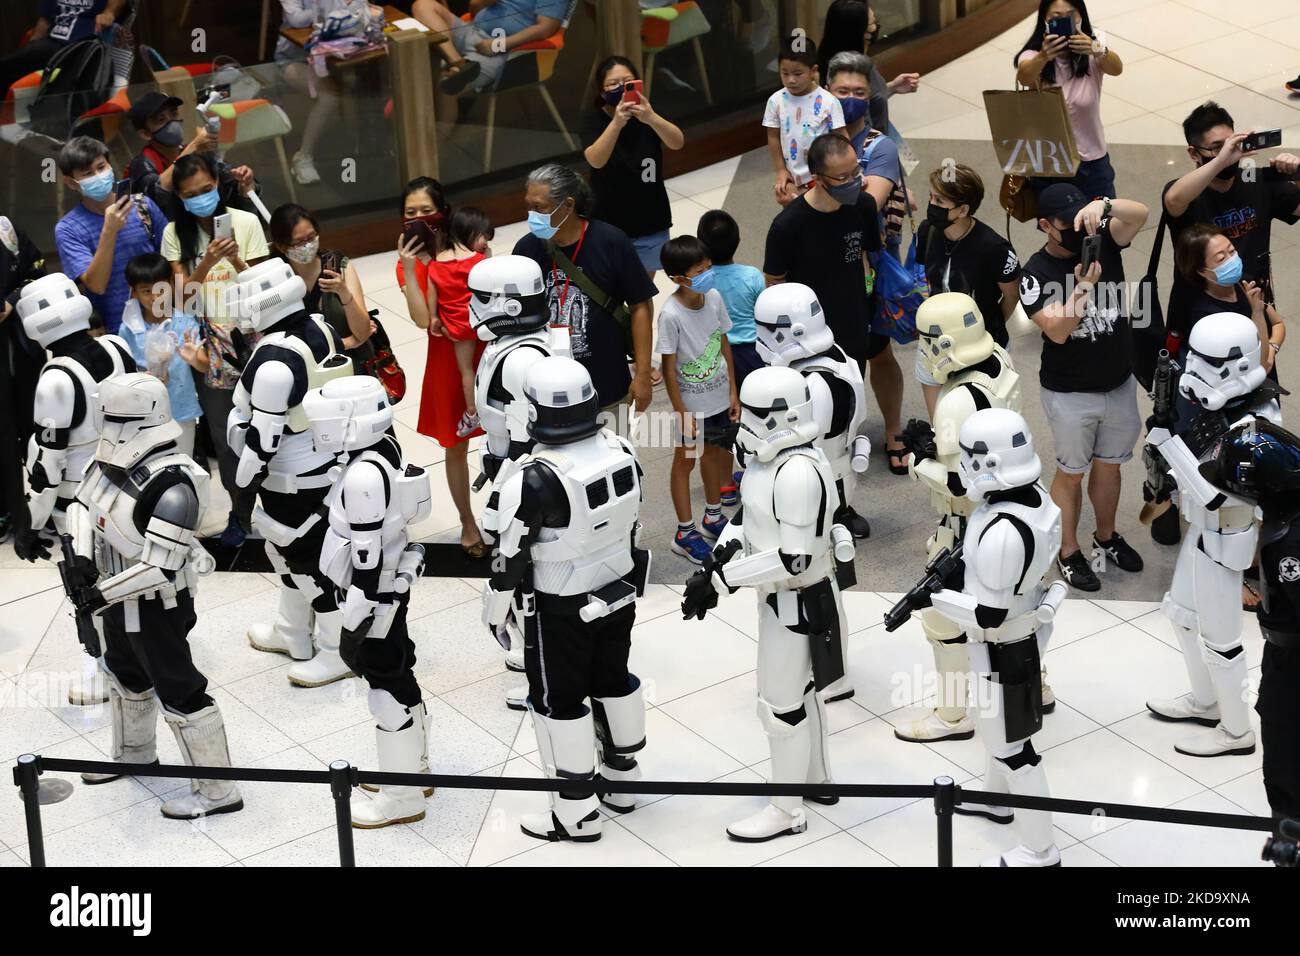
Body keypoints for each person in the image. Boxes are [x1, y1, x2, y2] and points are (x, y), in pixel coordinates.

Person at [682, 366, 852, 842]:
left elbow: (794, 560)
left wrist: (722, 580)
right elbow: (749, 519)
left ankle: (786, 808)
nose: (744, 424)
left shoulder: (797, 472)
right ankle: (815, 779)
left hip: (797, 602)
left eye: (753, 414)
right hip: (782, 600)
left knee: (779, 707)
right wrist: (717, 561)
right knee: (800, 695)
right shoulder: (771, 461)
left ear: (780, 416)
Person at [484, 355, 650, 843]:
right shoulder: (621, 448)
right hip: (618, 592)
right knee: (611, 677)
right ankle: (623, 782)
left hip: (558, 606)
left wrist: (496, 611)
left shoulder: (532, 479)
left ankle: (575, 814)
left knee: (558, 700)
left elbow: (507, 557)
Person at [64, 373, 242, 820]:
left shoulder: (174, 485)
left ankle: (219, 790)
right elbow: (82, 506)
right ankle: (134, 754)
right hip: (111, 598)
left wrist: (98, 592)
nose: (107, 427)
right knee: (124, 674)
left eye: (115, 418)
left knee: (180, 689)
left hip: (155, 604)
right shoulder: (106, 464)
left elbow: (161, 567)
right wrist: (84, 560)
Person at [893, 293, 1045, 743]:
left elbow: (960, 483)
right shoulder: (998, 360)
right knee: (1021, 609)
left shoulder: (957, 399)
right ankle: (1040, 686)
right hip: (1018, 512)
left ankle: (952, 716)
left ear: (942, 343)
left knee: (942, 623)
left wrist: (919, 459)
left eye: (925, 341)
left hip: (969, 523)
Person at [920, 408, 1067, 867]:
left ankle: (1041, 849)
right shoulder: (1029, 498)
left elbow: (988, 612)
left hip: (1004, 642)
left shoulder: (1005, 529)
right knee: (996, 727)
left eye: (969, 458)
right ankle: (995, 799)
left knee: (1012, 745)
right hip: (1020, 630)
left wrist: (938, 597)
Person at [1144, 313, 1283, 758]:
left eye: (1205, 362)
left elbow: (1216, 495)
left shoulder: (1257, 417)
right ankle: (1206, 701)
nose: (1194, 370)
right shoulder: (1216, 405)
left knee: (1222, 641)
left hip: (1226, 535)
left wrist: (1167, 446)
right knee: (1182, 614)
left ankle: (1237, 729)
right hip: (1201, 533)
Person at [304, 375, 433, 828]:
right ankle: (414, 770)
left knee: (383, 687)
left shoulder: (362, 474)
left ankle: (402, 798)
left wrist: (359, 611)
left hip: (375, 592)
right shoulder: (383, 451)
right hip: (388, 585)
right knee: (396, 670)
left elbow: (366, 552)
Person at [227, 259, 354, 688]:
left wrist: (241, 496)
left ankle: (338, 651)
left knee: (309, 564)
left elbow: (261, 442)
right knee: (285, 556)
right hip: (324, 466)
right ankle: (293, 632)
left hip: (292, 478)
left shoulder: (274, 359)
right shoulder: (320, 327)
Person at [1018, 183, 1148, 592]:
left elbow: (1140, 213)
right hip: (1070, 392)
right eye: (1064, 223)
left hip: (1119, 382)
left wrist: (1104, 204)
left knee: (1110, 465)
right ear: (1044, 226)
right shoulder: (1034, 274)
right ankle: (1069, 550)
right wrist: (1083, 286)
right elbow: (1056, 331)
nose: (1075, 230)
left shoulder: (1104, 240)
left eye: (1079, 219)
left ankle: (1106, 537)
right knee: (1072, 472)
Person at [764, 133, 905, 478]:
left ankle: (880, 435)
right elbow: (774, 283)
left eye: (856, 172)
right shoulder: (788, 226)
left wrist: (872, 298)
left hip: (857, 312)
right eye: (843, 177)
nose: (854, 182)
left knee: (859, 383)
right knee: (821, 398)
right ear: (818, 178)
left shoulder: (863, 206)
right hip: (810, 332)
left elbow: (869, 255)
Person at [754, 283, 869, 705]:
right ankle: (820, 672)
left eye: (766, 329)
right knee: (818, 581)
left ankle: (825, 674)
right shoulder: (839, 358)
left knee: (809, 581)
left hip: (815, 490)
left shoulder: (813, 382)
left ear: (786, 331)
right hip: (832, 481)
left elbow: (803, 447)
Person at [469, 254, 565, 707]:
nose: (473, 305)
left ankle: (544, 671)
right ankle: (533, 654)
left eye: (482, 297)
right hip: (515, 471)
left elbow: (534, 443)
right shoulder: (513, 347)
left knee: (527, 570)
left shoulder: (522, 358)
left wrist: (504, 499)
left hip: (527, 481)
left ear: (510, 305)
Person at [162, 151, 267, 548]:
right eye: (191, 194)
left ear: (218, 185)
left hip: (254, 334)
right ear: (181, 198)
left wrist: (235, 257)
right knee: (226, 437)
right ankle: (240, 514)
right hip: (209, 346)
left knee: (272, 423)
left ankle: (279, 504)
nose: (201, 199)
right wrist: (206, 261)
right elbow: (181, 299)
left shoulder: (245, 222)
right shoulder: (175, 233)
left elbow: (265, 284)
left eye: (207, 190)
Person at [1201, 418, 1300, 830]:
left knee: (1284, 762)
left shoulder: (1287, 543)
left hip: (1292, 664)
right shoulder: (1284, 523)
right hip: (1285, 652)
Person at [512, 164, 657, 424]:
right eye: (529, 207)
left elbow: (640, 306)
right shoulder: (526, 250)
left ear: (567, 205)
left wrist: (643, 374)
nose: (532, 215)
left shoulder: (610, 242)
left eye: (540, 208)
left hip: (608, 386)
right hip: (547, 392)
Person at [396, 178, 489, 557]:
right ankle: (468, 521)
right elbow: (421, 319)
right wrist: (411, 265)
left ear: (443, 212)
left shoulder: (468, 244)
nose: (419, 219)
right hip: (448, 360)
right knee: (455, 446)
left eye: (426, 211)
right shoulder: (407, 263)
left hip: (490, 346)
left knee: (512, 435)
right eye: (410, 213)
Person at [1163, 101, 1300, 337]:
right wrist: (1221, 161)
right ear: (1194, 153)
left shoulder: (1257, 182)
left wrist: (1298, 175)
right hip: (1201, 314)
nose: (1229, 155)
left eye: (1230, 145)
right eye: (1217, 148)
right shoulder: (1188, 193)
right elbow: (1173, 199)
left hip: (1252, 303)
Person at [915, 163, 1023, 415]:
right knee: (941, 424)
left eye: (939, 200)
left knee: (982, 422)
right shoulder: (927, 231)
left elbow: (1011, 295)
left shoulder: (995, 248)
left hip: (980, 346)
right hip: (934, 344)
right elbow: (924, 277)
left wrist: (987, 325)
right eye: (931, 196)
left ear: (963, 209)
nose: (932, 204)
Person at [658, 236, 739, 563]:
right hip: (691, 408)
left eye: (708, 268)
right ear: (678, 278)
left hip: (720, 398)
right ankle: (684, 531)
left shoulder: (714, 297)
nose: (708, 276)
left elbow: (723, 343)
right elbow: (667, 368)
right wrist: (681, 412)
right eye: (700, 271)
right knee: (686, 461)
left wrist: (733, 390)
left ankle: (713, 516)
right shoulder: (670, 315)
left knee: (716, 456)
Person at [54, 136, 168, 337]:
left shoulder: (143, 207)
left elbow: (172, 261)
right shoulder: (68, 229)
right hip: (117, 332)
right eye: (88, 173)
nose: (98, 176)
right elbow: (96, 285)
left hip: (166, 322)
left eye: (101, 167)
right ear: (71, 183)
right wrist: (109, 231)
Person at [583, 55, 684, 279]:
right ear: (601, 92)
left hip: (651, 219)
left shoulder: (651, 112)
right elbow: (595, 160)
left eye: (627, 81)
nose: (620, 87)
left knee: (643, 291)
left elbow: (677, 142)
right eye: (612, 83)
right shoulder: (593, 118)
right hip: (609, 222)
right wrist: (617, 123)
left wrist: (651, 118)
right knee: (610, 287)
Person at [1014, 0, 1123, 199]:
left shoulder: (1092, 53)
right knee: (1059, 226)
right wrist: (1044, 56)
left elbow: (1117, 68)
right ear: (1044, 20)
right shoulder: (1033, 55)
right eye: (1056, 17)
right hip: (1050, 161)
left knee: (1102, 222)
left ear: (1081, 17)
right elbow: (1024, 76)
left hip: (1092, 161)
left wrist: (1096, 48)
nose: (1064, 21)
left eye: (1071, 16)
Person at [697, 209, 764, 507]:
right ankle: (758, 473)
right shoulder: (752, 276)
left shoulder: (700, 284)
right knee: (754, 418)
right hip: (751, 356)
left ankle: (725, 486)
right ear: (738, 240)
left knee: (721, 424)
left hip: (715, 360)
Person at [268, 203, 374, 371]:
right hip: (304, 374)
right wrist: (345, 343)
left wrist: (344, 293)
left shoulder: (339, 266)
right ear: (282, 247)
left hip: (353, 368)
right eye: (299, 242)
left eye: (311, 237)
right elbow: (282, 344)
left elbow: (362, 332)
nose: (307, 245)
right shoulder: (276, 280)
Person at [119, 253, 204, 459]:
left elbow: (204, 366)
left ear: (171, 285)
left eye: (160, 289)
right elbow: (123, 376)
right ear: (134, 293)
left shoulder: (185, 322)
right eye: (146, 291)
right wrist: (145, 379)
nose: (155, 297)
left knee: (183, 465)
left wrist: (194, 359)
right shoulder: (129, 329)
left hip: (182, 411)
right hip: (143, 416)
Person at [124, 91, 259, 221]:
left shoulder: (196, 155)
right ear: (145, 134)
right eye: (161, 119)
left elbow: (229, 184)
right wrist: (194, 147)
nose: (172, 122)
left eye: (174, 114)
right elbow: (154, 196)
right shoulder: (142, 164)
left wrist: (244, 184)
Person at [0, 215, 48, 547]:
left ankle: (42, 510)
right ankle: (10, 513)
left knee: (35, 428)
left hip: (22, 347)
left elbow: (36, 275)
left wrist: (11, 302)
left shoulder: (7, 229)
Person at [411, 0, 568, 95]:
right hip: (470, 30)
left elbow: (546, 28)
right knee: (423, 4)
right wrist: (485, 2)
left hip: (501, 50)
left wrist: (498, 45)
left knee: (443, 88)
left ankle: (455, 69)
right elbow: (473, 9)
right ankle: (458, 62)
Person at [816, 1, 920, 136]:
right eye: (871, 24)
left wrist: (892, 87)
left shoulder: (857, 62)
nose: (875, 28)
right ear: (858, 31)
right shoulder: (849, 72)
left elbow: (870, 99)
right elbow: (860, 127)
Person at [764, 37, 845, 207]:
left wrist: (847, 171)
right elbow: (773, 137)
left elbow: (841, 138)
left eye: (798, 74)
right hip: (793, 178)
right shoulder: (775, 101)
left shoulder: (828, 101)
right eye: (784, 73)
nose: (791, 80)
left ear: (813, 70)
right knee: (795, 220)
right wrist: (780, 170)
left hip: (825, 178)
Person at [275, 0, 345, 185]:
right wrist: (328, 8)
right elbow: (296, 19)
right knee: (330, 95)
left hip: (337, 54)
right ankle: (303, 156)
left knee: (371, 77)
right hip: (294, 60)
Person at [0, 0, 125, 103]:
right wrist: (31, 47)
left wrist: (109, 12)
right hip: (52, 44)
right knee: (9, 66)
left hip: (83, 45)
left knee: (70, 87)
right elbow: (44, 21)